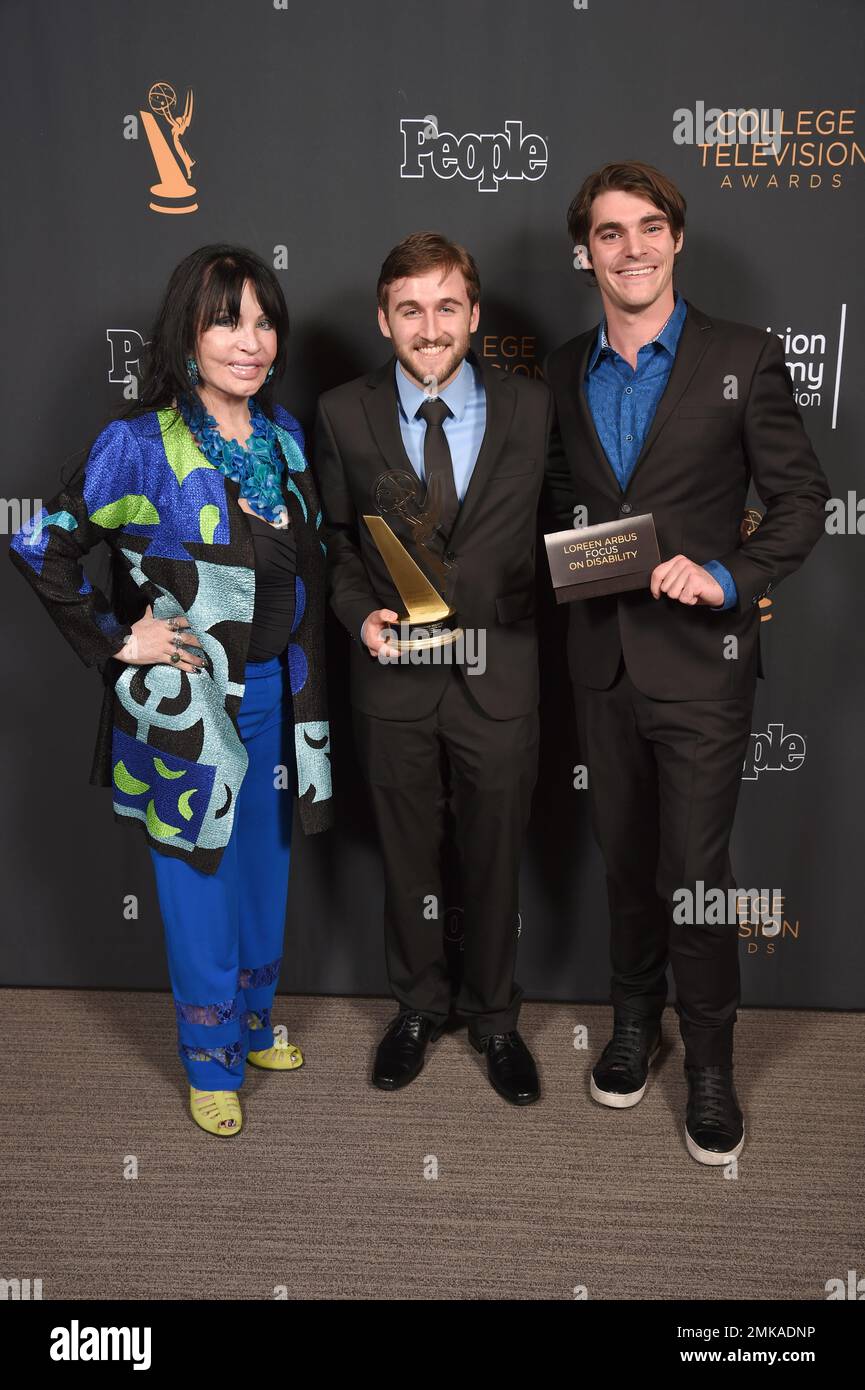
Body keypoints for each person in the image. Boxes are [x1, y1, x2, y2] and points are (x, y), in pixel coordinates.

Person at [10, 244, 333, 1137]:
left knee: (265, 869)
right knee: (200, 879)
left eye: (264, 321)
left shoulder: (285, 435)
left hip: (282, 697)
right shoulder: (139, 442)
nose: (250, 340)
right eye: (227, 319)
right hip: (191, 715)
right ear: (188, 335)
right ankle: (209, 1060)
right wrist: (122, 639)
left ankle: (256, 1022)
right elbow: (44, 546)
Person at [544, 162, 829, 1163]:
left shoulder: (741, 357)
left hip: (702, 663)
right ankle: (633, 1025)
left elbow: (802, 499)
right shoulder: (562, 368)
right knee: (625, 863)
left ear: (676, 239)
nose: (632, 248)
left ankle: (708, 1063)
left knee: (693, 872)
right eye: (610, 233)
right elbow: (552, 512)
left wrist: (725, 572)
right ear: (587, 251)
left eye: (649, 228)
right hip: (599, 666)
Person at [315, 232, 552, 1104]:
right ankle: (416, 1008)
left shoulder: (532, 407)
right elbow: (334, 542)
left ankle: (494, 1021)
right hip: (396, 682)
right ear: (384, 319)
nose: (429, 325)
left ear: (474, 314)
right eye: (409, 309)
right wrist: (354, 611)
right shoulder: (343, 412)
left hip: (501, 674)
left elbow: (562, 529)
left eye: (446, 306)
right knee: (408, 860)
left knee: (495, 859)